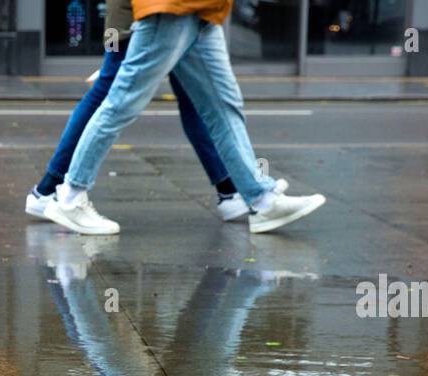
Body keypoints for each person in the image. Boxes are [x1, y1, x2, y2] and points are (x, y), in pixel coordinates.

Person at [44, 0, 326, 236]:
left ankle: (261, 199)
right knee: (121, 104)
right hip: (171, 10)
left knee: (223, 106)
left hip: (204, 11)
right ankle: (70, 195)